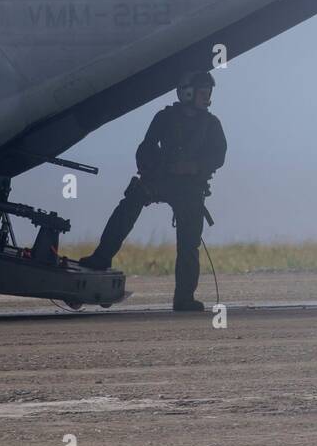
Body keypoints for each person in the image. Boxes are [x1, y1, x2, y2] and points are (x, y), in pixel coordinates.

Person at [81, 71, 227, 312]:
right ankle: (102, 257)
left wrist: (194, 167)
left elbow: (218, 156)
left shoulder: (212, 125)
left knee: (189, 245)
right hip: (163, 179)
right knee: (131, 201)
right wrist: (154, 169)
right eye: (202, 92)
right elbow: (146, 148)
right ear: (188, 93)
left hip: (191, 188)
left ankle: (184, 298)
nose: (206, 97)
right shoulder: (165, 118)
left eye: (208, 93)